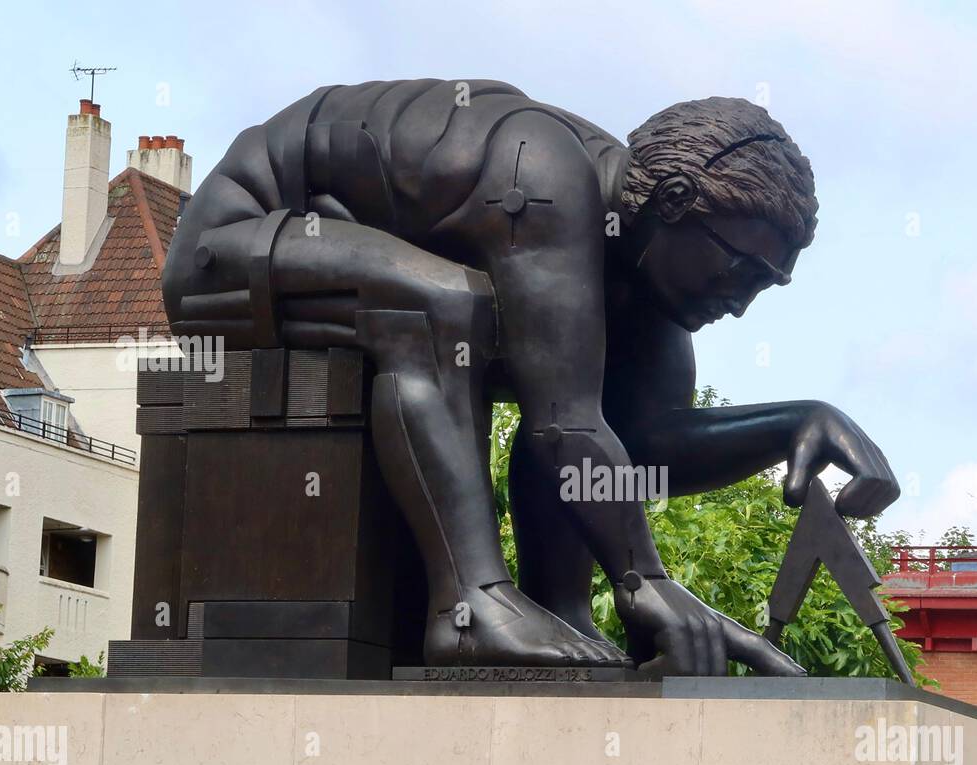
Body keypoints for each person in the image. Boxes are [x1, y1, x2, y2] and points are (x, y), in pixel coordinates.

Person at [164, 79, 900, 675]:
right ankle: (471, 607)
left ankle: (559, 608)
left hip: (325, 253)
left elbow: (639, 449)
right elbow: (563, 425)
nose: (740, 303)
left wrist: (793, 423)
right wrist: (644, 580)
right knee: (444, 306)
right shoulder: (544, 176)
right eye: (741, 269)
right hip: (233, 246)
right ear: (674, 205)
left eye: (764, 285)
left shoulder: (638, 272)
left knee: (556, 381)